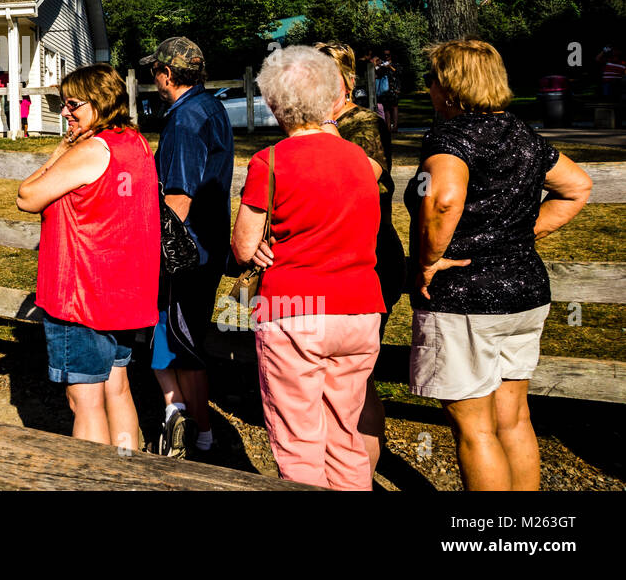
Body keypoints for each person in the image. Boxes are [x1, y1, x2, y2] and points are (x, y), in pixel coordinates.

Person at [405, 39, 592, 490]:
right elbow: (578, 186)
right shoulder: (522, 134)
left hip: (467, 299)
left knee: (475, 428)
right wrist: (520, 237)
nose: (427, 88)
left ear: (449, 87)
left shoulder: (450, 139)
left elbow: (445, 201)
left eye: (430, 79)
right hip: (525, 293)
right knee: (513, 420)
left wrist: (428, 262)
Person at [230, 46, 384, 490]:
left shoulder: (270, 161)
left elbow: (242, 248)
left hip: (296, 310)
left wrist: (262, 244)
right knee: (346, 436)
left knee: (299, 441)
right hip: (360, 310)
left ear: (275, 104)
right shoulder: (361, 160)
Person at [16, 63, 160, 448]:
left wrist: (60, 149)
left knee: (86, 401)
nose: (65, 112)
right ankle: (128, 473)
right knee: (118, 389)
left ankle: (92, 482)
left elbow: (26, 196)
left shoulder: (92, 150)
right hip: (124, 294)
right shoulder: (136, 142)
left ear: (98, 102)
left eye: (72, 104)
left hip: (81, 294)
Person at [315, 41, 407, 472]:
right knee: (327, 376)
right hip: (326, 264)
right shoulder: (317, 123)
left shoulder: (361, 122)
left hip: (367, 261)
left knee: (356, 377)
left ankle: (360, 473)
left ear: (344, 80)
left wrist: (325, 136)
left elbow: (363, 176)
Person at [140, 36, 233, 458]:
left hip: (185, 251)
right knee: (180, 334)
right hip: (209, 243)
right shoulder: (211, 106)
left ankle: (201, 434)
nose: (153, 78)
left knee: (182, 339)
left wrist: (150, 250)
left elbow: (177, 197)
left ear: (167, 74)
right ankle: (179, 414)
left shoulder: (183, 119)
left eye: (155, 71)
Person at [376, 49, 401, 132]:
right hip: (384, 89)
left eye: (388, 55)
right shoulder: (382, 65)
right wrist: (379, 66)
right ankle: (388, 128)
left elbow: (398, 72)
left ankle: (395, 127)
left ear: (391, 55)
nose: (386, 57)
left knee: (394, 107)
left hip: (394, 88)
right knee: (386, 108)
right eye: (385, 55)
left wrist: (389, 67)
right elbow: (377, 74)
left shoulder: (395, 64)